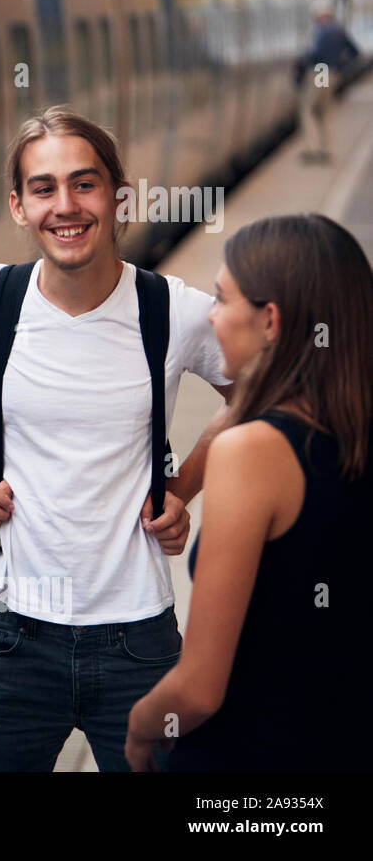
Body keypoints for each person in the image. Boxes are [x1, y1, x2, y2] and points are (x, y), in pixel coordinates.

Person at [0, 106, 236, 771]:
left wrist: (179, 488)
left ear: (118, 196)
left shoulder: (174, 311)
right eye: (43, 189)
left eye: (85, 184)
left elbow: (259, 397)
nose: (65, 206)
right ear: (18, 206)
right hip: (9, 641)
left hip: (139, 641)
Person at [126, 214, 373, 772]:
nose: (211, 316)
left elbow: (197, 691)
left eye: (221, 298)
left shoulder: (251, 453)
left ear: (269, 321)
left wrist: (140, 730)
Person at [295, 1, 360, 164]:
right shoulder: (339, 30)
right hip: (332, 72)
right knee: (324, 110)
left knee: (309, 109)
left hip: (320, 71)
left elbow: (315, 54)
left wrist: (302, 63)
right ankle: (326, 148)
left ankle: (311, 148)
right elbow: (355, 52)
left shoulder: (322, 32)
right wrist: (340, 65)